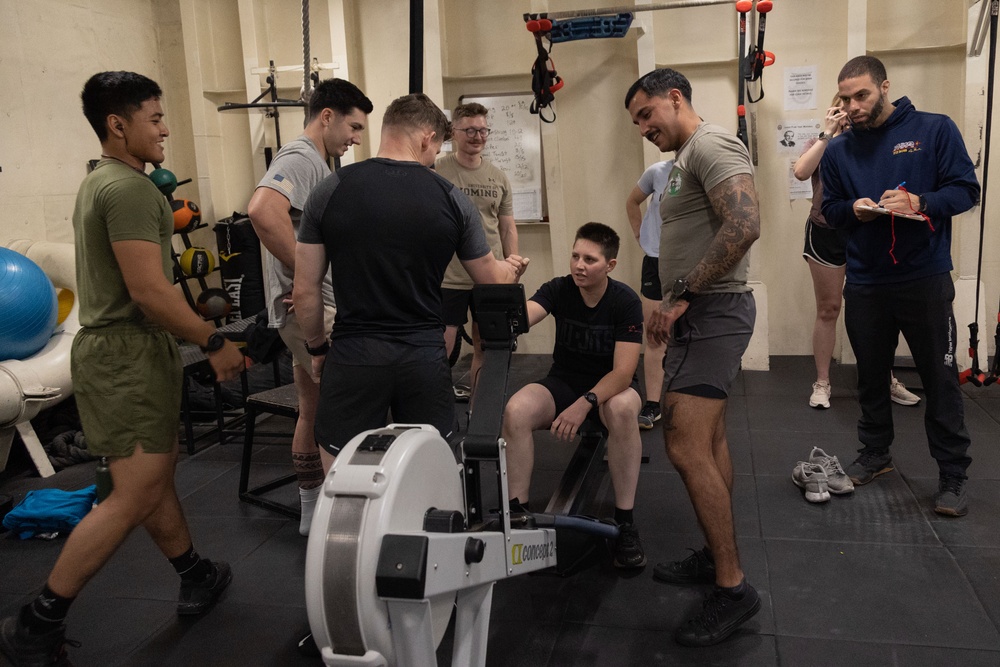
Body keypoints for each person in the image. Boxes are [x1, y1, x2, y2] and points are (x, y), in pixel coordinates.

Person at [0, 71, 245, 665]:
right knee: (131, 495)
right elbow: (151, 293)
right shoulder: (132, 190)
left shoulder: (101, 180)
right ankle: (38, 620)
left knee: (151, 478)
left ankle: (195, 574)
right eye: (155, 117)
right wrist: (214, 339)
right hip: (126, 354)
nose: (164, 128)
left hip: (124, 352)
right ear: (118, 124)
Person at [293, 93, 529, 458]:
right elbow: (492, 281)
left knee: (343, 482)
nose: (434, 158)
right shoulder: (451, 197)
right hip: (421, 358)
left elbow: (305, 291)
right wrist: (510, 268)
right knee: (426, 476)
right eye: (436, 149)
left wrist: (317, 349)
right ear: (426, 138)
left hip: (354, 356)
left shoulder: (330, 189)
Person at [625, 68, 762, 647]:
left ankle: (733, 588)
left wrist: (682, 297)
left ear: (675, 99)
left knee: (683, 445)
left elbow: (746, 222)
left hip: (712, 313)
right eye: (636, 121)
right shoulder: (682, 160)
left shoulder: (712, 144)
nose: (643, 128)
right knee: (710, 442)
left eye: (646, 114)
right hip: (703, 313)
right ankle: (715, 556)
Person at [820, 55, 979, 516]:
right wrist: (855, 210)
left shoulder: (935, 129)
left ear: (884, 87)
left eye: (861, 95)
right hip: (866, 281)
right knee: (870, 376)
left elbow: (966, 190)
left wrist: (919, 201)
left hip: (924, 277)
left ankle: (952, 475)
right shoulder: (838, 151)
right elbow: (829, 212)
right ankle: (875, 454)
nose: (851, 106)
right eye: (845, 98)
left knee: (940, 378)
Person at [246, 78, 372, 536]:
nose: (355, 138)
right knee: (346, 412)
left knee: (313, 407)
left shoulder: (318, 163)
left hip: (308, 308)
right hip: (313, 311)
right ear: (327, 116)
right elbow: (261, 211)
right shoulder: (300, 156)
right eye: (353, 127)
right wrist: (305, 276)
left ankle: (311, 509)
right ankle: (342, 520)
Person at [502, 222, 646, 569]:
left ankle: (625, 522)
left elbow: (624, 373)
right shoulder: (559, 289)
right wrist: (509, 283)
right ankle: (517, 516)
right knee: (515, 410)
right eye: (575, 256)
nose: (579, 265)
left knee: (625, 409)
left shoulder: (625, 301)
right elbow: (519, 320)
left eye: (590, 259)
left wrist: (584, 405)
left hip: (610, 390)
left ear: (610, 265)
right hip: (564, 382)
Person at [793, 96, 922, 410]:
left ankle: (885, 379)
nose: (850, 112)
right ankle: (822, 382)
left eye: (856, 106)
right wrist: (828, 133)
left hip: (865, 229)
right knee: (829, 308)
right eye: (843, 107)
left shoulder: (874, 142)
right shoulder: (822, 143)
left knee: (877, 310)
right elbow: (800, 172)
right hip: (826, 231)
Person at [436, 102, 517, 401]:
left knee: (486, 345)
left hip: (489, 276)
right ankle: (435, 405)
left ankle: (478, 408)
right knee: (442, 347)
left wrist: (513, 267)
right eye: (470, 130)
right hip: (449, 277)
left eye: (483, 130)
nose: (477, 136)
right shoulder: (436, 169)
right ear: (454, 132)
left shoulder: (498, 176)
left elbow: (507, 227)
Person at [625, 159, 674, 428]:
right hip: (656, 260)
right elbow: (632, 201)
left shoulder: (706, 167)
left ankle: (693, 401)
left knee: (695, 335)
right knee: (655, 334)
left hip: (690, 263)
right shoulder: (657, 171)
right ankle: (653, 404)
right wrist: (640, 235)